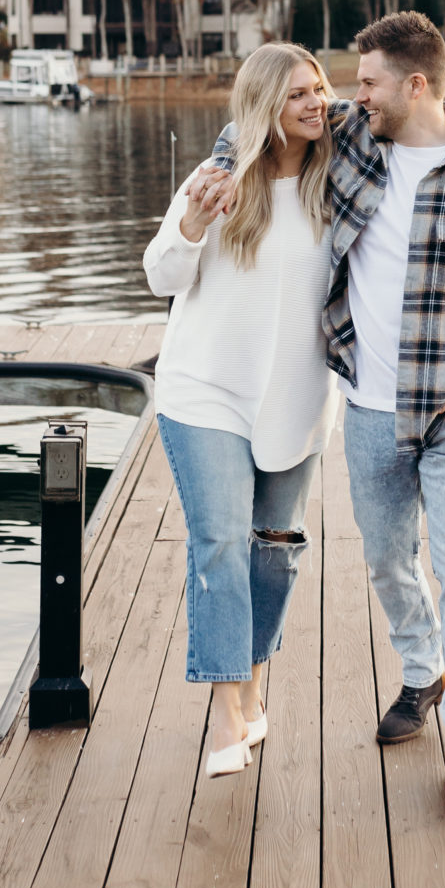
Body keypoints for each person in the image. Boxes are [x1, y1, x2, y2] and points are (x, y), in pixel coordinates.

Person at [210, 12, 445, 816]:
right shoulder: (355, 139)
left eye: (365, 82)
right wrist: (224, 162)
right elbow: (255, 117)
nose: (346, 95)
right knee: (389, 562)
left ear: (414, 85)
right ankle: (420, 670)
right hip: (365, 405)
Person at [143, 43, 337, 779]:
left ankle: (252, 679)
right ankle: (227, 711)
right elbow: (160, 274)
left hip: (296, 398)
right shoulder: (218, 181)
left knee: (276, 551)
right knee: (221, 542)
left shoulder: (335, 180)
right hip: (205, 391)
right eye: (297, 95)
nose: (315, 103)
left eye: (319, 90)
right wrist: (190, 223)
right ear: (263, 105)